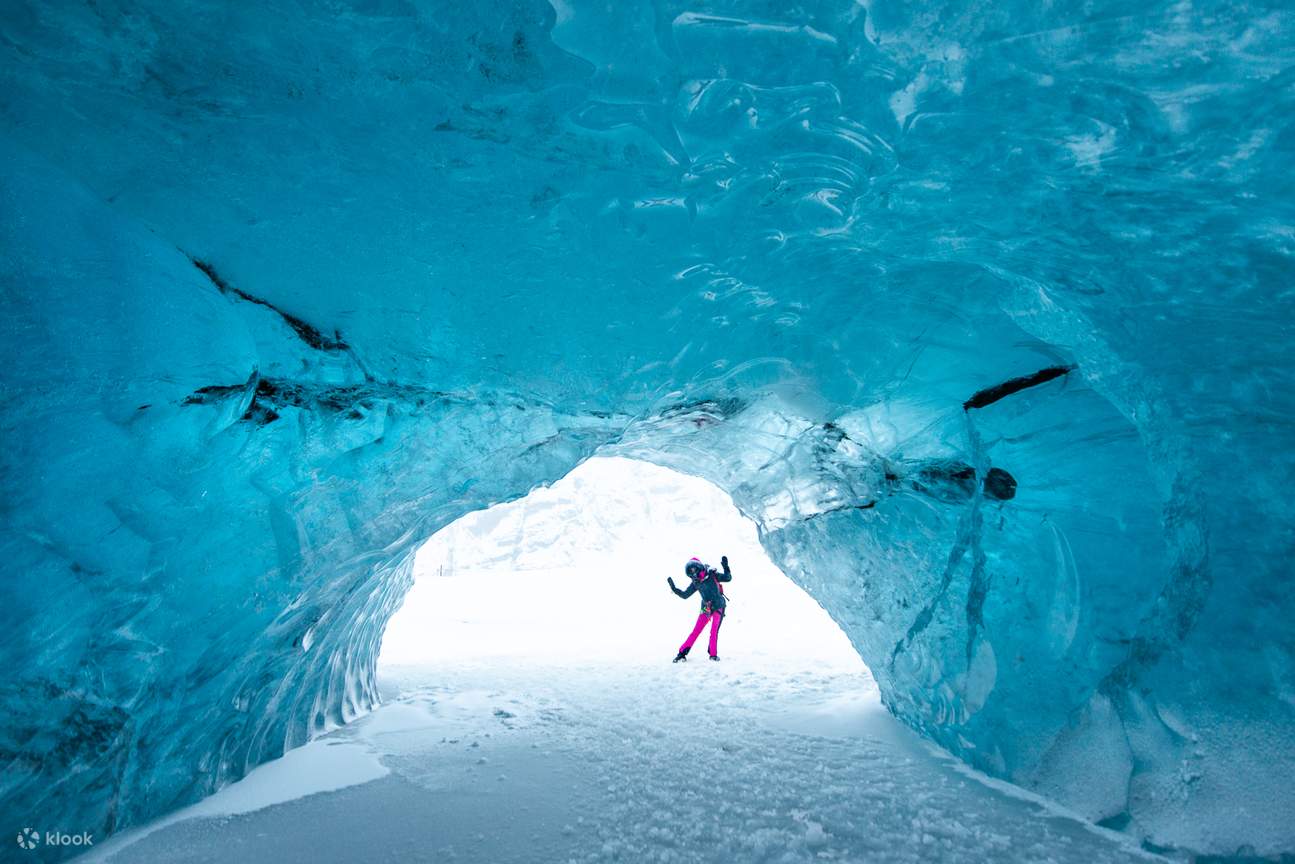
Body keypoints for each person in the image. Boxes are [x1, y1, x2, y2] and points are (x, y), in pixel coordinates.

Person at [668, 556, 731, 662]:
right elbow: (685, 595)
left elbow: (728, 578)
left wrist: (725, 566)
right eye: (691, 571)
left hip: (719, 606)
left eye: (694, 569)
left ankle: (713, 655)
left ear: (699, 567)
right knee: (696, 631)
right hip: (706, 608)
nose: (693, 572)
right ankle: (682, 653)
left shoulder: (712, 574)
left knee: (714, 631)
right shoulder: (695, 582)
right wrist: (674, 589)